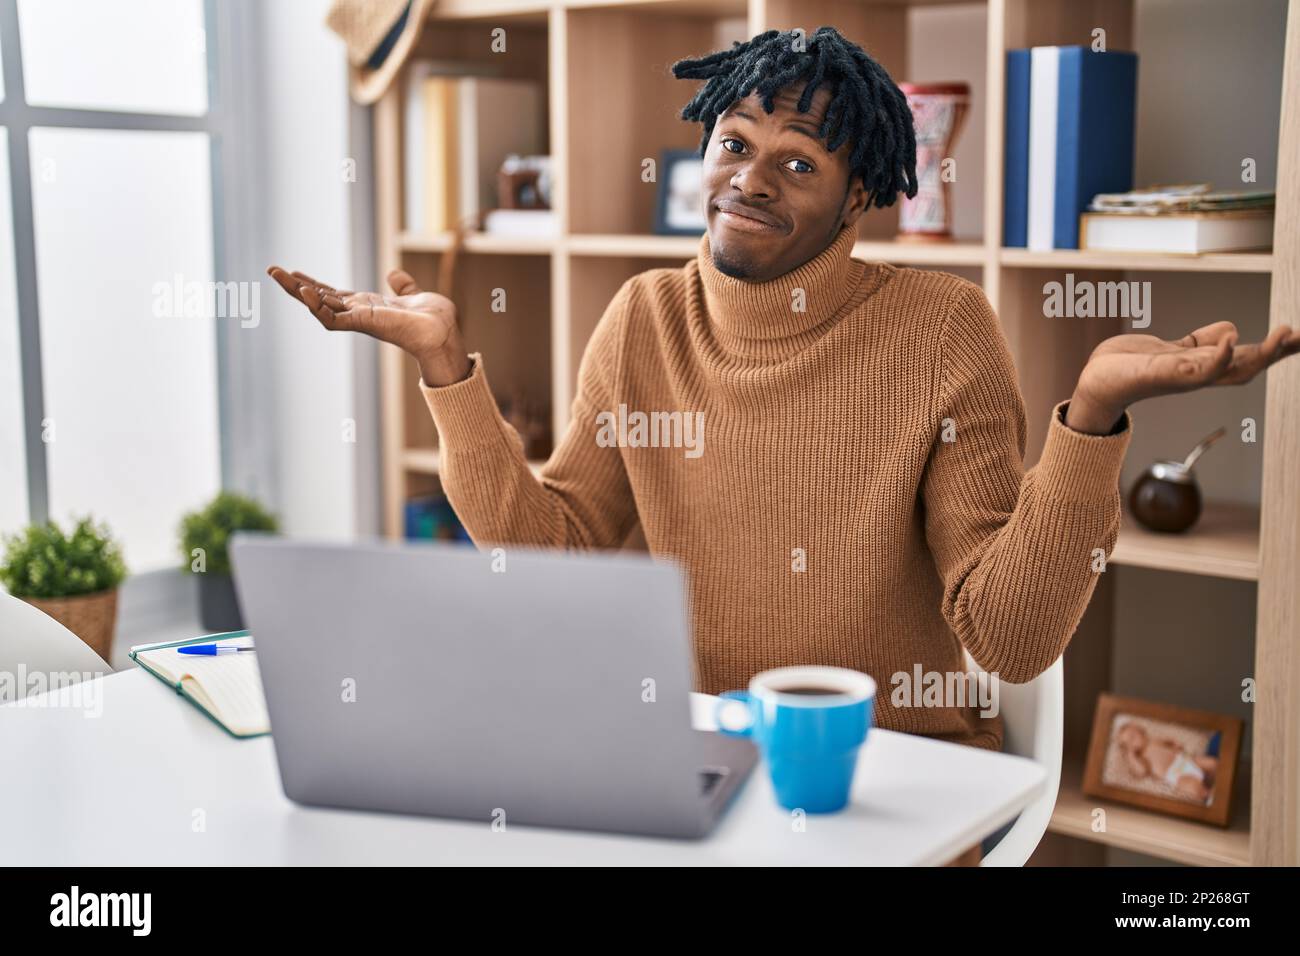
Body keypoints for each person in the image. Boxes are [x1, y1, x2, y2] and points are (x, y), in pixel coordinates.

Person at [269, 27, 1297, 756]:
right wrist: (448, 371)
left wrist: (1092, 415)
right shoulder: (643, 317)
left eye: (796, 163)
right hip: (698, 756)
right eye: (734, 146)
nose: (749, 179)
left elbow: (1009, 636)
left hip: (901, 767)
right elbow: (555, 550)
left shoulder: (944, 329)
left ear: (859, 197)